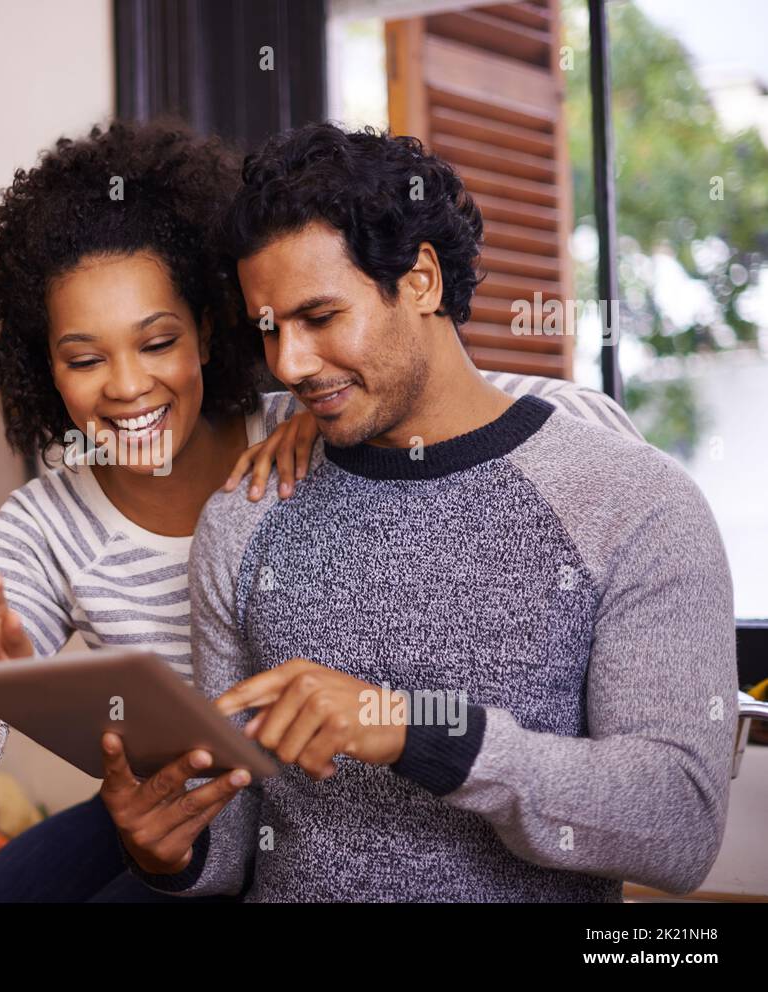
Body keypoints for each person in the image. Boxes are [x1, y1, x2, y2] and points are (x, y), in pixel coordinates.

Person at [0, 121, 646, 902]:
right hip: (185, 800)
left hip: (329, 803)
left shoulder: (321, 410)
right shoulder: (48, 523)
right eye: (85, 359)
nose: (125, 386)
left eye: (156, 343)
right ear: (47, 368)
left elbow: (525, 415)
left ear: (207, 332)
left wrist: (327, 421)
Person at [105, 122, 738, 902]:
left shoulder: (633, 503)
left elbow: (680, 824)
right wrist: (169, 850)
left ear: (423, 281)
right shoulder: (245, 517)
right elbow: (233, 838)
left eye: (320, 318)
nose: (289, 364)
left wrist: (420, 730)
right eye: (270, 330)